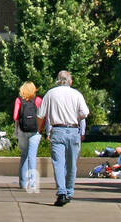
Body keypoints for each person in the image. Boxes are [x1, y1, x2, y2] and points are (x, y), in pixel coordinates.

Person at [37, 70, 90, 206]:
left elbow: (40, 114)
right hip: (73, 130)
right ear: (70, 81)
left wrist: (39, 129)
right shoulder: (76, 94)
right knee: (72, 163)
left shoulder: (51, 93)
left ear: (58, 80)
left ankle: (61, 192)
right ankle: (69, 191)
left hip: (57, 129)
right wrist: (75, 118)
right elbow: (85, 112)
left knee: (58, 163)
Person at [13, 81, 43, 192]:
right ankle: (32, 183)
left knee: (24, 155)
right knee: (32, 156)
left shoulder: (18, 100)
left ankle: (23, 182)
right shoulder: (38, 100)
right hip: (35, 131)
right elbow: (42, 115)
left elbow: (15, 116)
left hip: (22, 130)